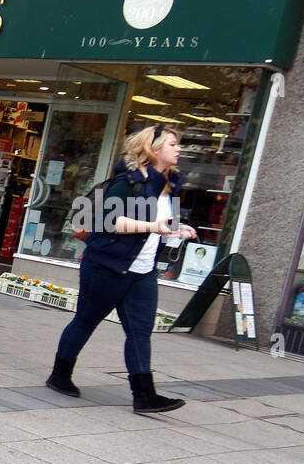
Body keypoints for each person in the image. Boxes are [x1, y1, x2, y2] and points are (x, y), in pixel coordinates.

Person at [45, 125, 198, 414]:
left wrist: (177, 230)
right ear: (154, 149)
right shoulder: (129, 182)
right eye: (173, 144)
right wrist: (155, 226)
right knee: (86, 321)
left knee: (140, 332)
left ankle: (144, 395)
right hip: (106, 265)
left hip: (142, 272)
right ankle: (59, 375)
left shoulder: (170, 185)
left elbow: (160, 228)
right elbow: (107, 222)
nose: (179, 149)